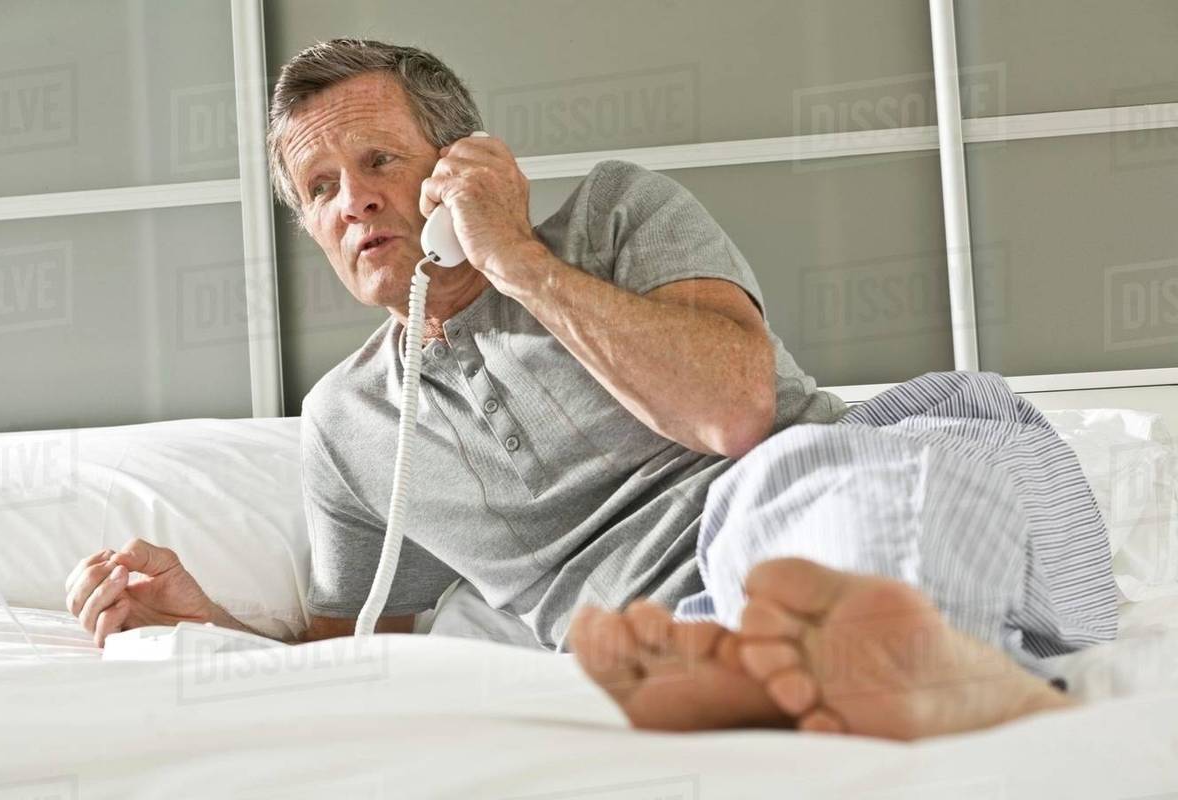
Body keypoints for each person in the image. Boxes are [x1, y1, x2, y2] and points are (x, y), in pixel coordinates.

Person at [64, 39, 1117, 741]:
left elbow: (731, 412)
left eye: (381, 159)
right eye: (320, 190)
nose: (355, 202)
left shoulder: (615, 215)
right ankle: (862, 667)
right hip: (664, 629)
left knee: (817, 503)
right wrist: (206, 619)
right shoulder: (349, 422)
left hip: (800, 490)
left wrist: (515, 259)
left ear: (457, 165)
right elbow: (368, 647)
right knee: (683, 623)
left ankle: (904, 655)